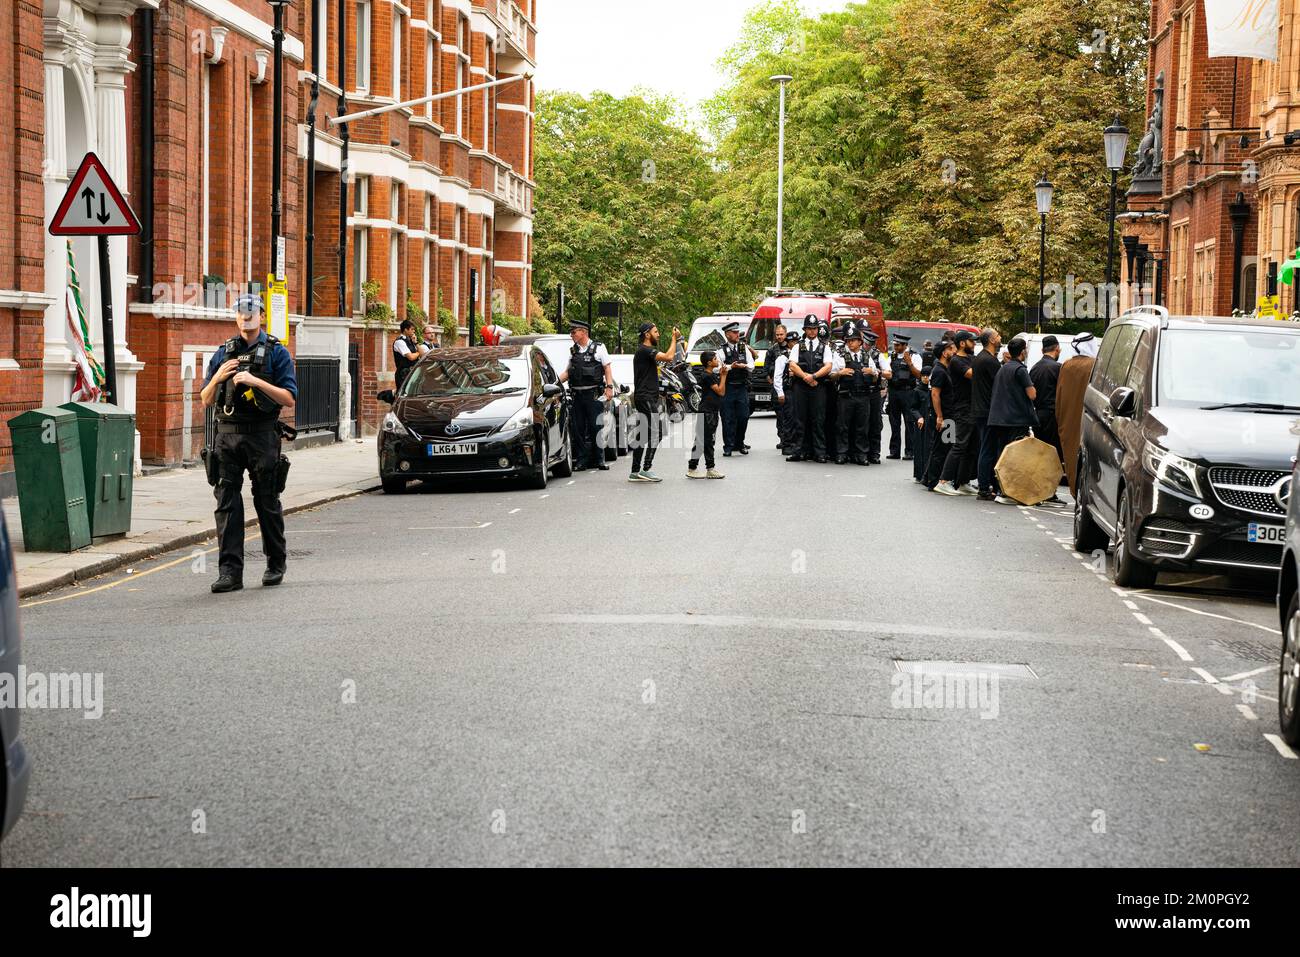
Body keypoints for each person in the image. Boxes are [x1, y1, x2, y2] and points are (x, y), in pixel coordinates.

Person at [200, 294, 298, 593]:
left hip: (261, 434)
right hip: (227, 435)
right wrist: (217, 376)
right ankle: (230, 572)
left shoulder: (277, 353)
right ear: (236, 318)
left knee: (266, 499)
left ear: (262, 317)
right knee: (226, 503)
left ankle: (275, 563)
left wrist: (256, 382)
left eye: (251, 312)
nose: (246, 317)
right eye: (241, 313)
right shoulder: (223, 353)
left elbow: (289, 398)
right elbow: (205, 399)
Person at [986, 337, 1039, 505]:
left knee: (1002, 455)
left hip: (1000, 419)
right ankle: (1008, 492)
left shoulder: (1003, 369)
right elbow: (1032, 394)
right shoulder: (1020, 370)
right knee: (1015, 458)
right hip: (1016, 420)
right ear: (1022, 351)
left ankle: (1000, 489)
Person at [558, 318, 615, 472]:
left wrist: (609, 387)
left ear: (583, 332)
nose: (571, 335)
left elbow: (607, 368)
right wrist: (555, 383)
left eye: (573, 332)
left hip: (593, 395)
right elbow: (568, 372)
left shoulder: (599, 348)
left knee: (595, 427)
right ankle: (582, 461)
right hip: (577, 395)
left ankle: (599, 459)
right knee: (578, 428)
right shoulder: (573, 351)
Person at [629, 322, 680, 483]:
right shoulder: (645, 350)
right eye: (656, 332)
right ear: (647, 334)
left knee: (642, 433)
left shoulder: (644, 352)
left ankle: (635, 472)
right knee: (657, 432)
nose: (658, 334)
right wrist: (674, 339)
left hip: (645, 397)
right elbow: (669, 357)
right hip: (645, 397)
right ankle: (646, 469)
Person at [1057, 331, 1101, 494]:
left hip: (1068, 421)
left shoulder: (1066, 365)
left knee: (1072, 458)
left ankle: (1076, 492)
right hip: (1090, 421)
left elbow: (1060, 396)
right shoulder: (1095, 365)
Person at [934, 330, 978, 495]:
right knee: (959, 445)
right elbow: (972, 374)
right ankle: (943, 481)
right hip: (963, 409)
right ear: (962, 343)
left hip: (974, 408)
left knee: (972, 447)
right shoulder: (957, 361)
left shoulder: (971, 359)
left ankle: (963, 482)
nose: (974, 344)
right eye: (971, 341)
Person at [788, 316, 833, 462]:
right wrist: (805, 377)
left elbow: (828, 366)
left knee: (818, 420)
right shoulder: (797, 346)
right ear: (805, 330)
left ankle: (819, 453)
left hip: (818, 387)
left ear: (818, 330)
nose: (812, 331)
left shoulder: (824, 347)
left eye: (814, 328)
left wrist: (813, 376)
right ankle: (798, 451)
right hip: (801, 387)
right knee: (799, 419)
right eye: (809, 328)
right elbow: (793, 365)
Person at [833, 323, 877, 465]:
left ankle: (861, 454)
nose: (850, 343)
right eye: (848, 340)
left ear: (859, 342)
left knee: (862, 427)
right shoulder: (840, 355)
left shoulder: (867, 357)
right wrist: (841, 372)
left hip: (863, 396)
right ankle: (842, 453)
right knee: (843, 426)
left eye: (853, 340)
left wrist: (873, 373)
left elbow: (876, 377)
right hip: (846, 396)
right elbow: (831, 375)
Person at [971, 327, 1003, 501]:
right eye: (997, 336)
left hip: (981, 409)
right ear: (991, 340)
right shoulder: (989, 361)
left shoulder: (980, 358)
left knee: (986, 448)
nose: (1000, 338)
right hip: (987, 410)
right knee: (987, 449)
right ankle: (984, 487)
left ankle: (987, 484)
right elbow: (1000, 384)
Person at [687, 351, 727, 479]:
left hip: (711, 411)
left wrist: (721, 376)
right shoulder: (707, 375)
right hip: (707, 412)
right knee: (707, 441)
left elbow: (721, 391)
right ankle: (710, 468)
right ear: (709, 363)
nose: (717, 360)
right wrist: (724, 376)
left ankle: (692, 468)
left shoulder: (711, 374)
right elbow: (721, 392)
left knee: (701, 441)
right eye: (715, 359)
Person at [922, 340, 956, 490]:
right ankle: (934, 482)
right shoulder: (939, 371)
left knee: (942, 447)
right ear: (944, 353)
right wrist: (940, 416)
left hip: (948, 415)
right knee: (941, 449)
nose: (954, 351)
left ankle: (927, 478)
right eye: (951, 349)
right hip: (943, 416)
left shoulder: (945, 369)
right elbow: (935, 395)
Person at [886, 334, 922, 460]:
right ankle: (894, 451)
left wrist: (909, 363)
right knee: (894, 422)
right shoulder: (892, 356)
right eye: (894, 344)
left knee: (909, 422)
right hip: (894, 392)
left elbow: (919, 376)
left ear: (904, 345)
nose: (895, 347)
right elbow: (887, 371)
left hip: (908, 392)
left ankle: (909, 451)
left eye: (897, 345)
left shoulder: (914, 356)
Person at [719, 321, 752, 457]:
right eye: (734, 332)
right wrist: (732, 367)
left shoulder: (743, 348)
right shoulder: (721, 350)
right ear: (727, 334)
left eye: (738, 332)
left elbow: (752, 365)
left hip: (742, 387)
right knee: (727, 418)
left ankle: (740, 443)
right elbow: (718, 368)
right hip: (728, 388)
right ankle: (728, 446)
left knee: (743, 416)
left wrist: (744, 366)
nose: (737, 334)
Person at [1030, 335, 1064, 464]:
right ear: (1057, 349)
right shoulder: (1058, 368)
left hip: (1038, 415)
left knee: (1040, 451)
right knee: (1052, 453)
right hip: (1052, 417)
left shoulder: (1034, 368)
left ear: (1042, 350)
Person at [764, 324, 789, 450]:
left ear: (786, 334)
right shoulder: (772, 350)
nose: (779, 337)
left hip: (790, 385)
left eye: (781, 334)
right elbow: (766, 368)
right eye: (777, 334)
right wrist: (770, 380)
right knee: (779, 414)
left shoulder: (792, 347)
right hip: (777, 385)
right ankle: (782, 438)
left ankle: (790, 438)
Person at [392, 319, 427, 392]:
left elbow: (423, 354)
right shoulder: (399, 342)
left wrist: (416, 342)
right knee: (404, 395)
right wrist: (418, 353)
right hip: (403, 374)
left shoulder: (411, 340)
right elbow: (411, 357)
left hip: (413, 373)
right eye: (412, 329)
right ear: (405, 330)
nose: (414, 331)